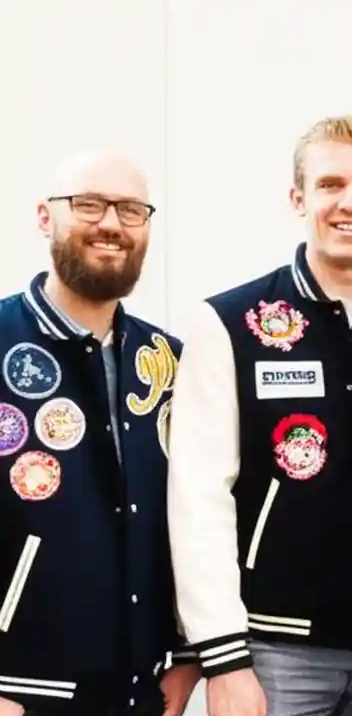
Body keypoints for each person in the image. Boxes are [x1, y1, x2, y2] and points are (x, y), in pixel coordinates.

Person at [166, 115, 352, 716]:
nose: (349, 204)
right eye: (330, 185)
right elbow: (198, 497)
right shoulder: (230, 324)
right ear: (297, 197)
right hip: (276, 654)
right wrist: (223, 658)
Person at [0, 151, 200, 715]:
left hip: (143, 690)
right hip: (22, 690)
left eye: (131, 210)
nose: (111, 224)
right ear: (46, 217)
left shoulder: (169, 364)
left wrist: (186, 657)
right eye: (88, 205)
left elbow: (195, 518)